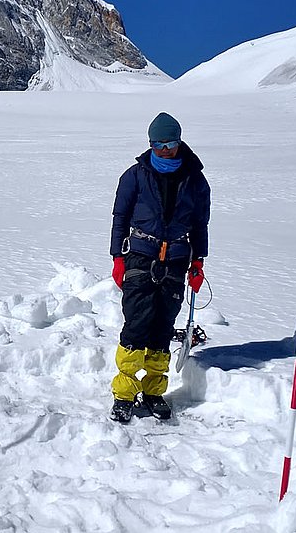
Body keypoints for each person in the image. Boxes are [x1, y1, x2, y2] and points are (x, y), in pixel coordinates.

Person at [108, 111, 210, 423]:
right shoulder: (135, 175)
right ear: (150, 143)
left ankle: (153, 390)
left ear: (179, 141)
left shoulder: (195, 180)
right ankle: (125, 393)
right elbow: (120, 217)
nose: (164, 149)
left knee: (163, 327)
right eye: (157, 143)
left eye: (170, 142)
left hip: (177, 259)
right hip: (140, 255)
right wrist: (117, 257)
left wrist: (198, 261)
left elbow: (200, 223)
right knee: (137, 323)